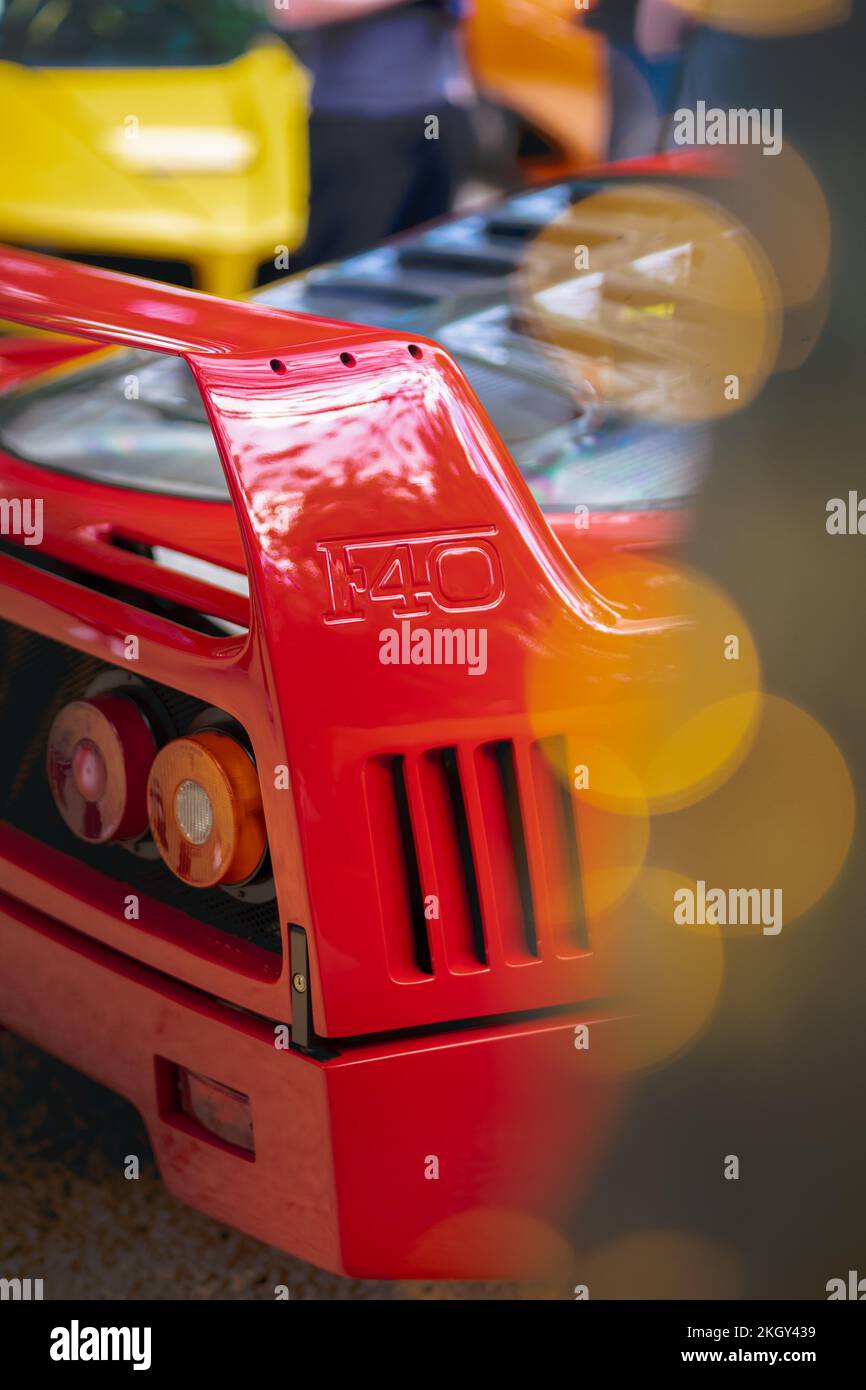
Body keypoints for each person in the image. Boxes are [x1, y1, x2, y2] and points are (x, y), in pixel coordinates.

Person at [270, 0, 474, 266]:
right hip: (356, 123)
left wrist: (465, 90)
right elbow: (289, 9)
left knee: (424, 265)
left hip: (438, 113)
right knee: (345, 267)